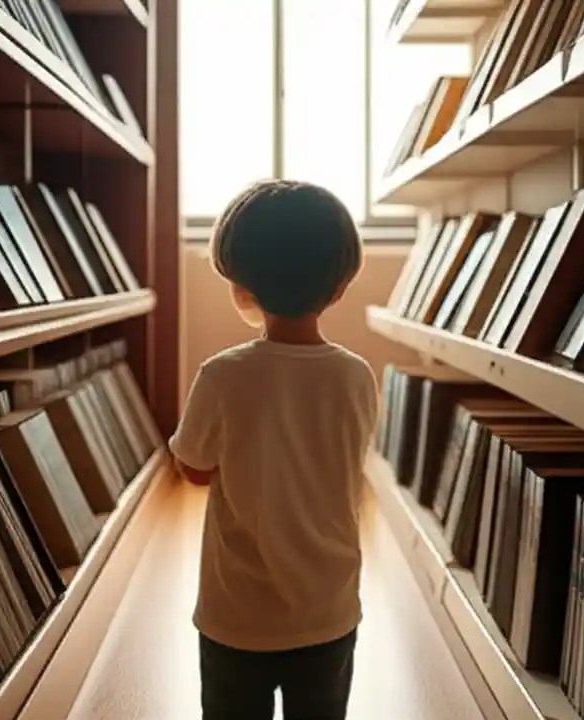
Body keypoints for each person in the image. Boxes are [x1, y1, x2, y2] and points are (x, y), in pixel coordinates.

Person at [169, 179, 379, 720]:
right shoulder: (356, 376)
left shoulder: (222, 376)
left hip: (237, 614)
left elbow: (192, 468)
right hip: (328, 609)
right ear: (338, 288)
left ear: (243, 287)